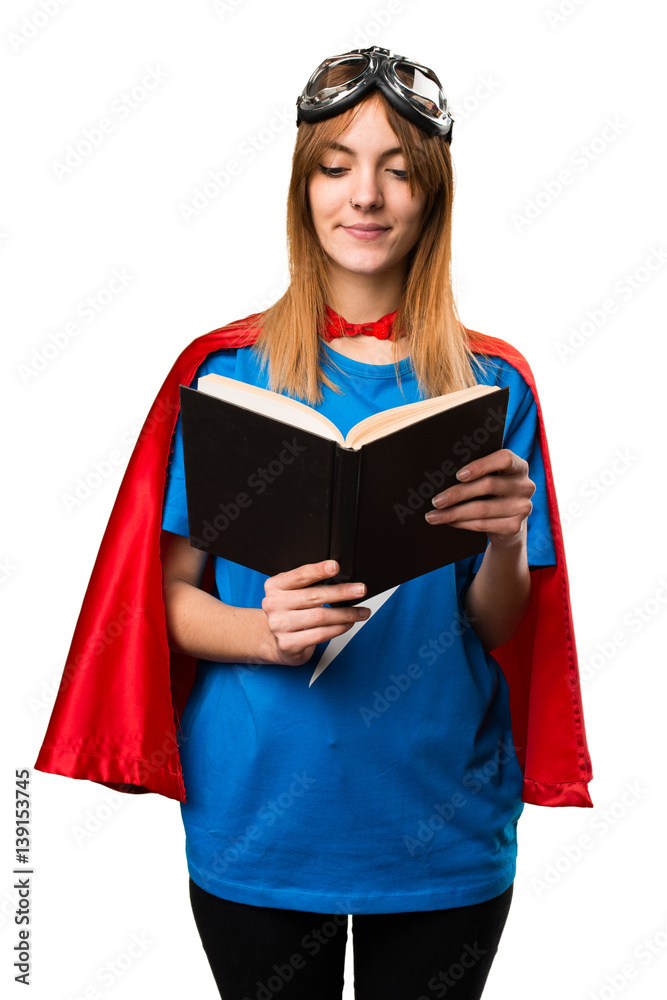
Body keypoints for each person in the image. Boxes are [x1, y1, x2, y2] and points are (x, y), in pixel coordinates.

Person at [34, 46, 593, 1000]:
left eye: (397, 170)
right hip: (258, 818)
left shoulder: (493, 382)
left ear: (432, 195)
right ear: (303, 188)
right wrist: (262, 632)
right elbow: (161, 598)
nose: (364, 195)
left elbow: (499, 623)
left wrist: (506, 538)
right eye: (336, 166)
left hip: (440, 823)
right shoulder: (223, 372)